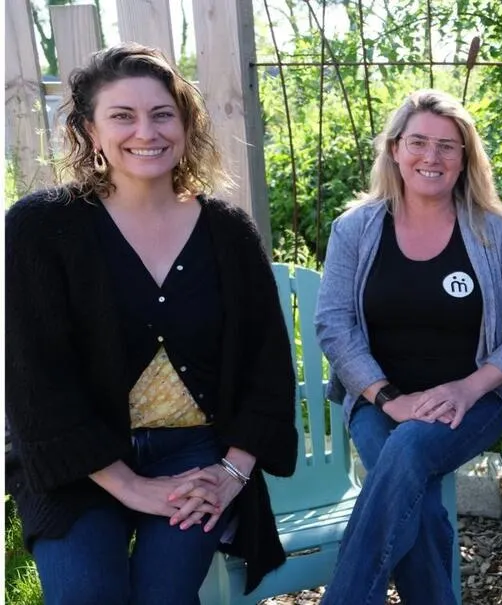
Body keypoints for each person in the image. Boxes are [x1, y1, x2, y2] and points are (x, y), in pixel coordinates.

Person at [5, 43, 298, 604]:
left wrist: (229, 475)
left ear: (185, 125)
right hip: (81, 466)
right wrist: (130, 486)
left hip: (195, 457)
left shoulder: (228, 232)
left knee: (164, 596)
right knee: (88, 594)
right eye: (123, 116)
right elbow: (35, 382)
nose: (148, 131)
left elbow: (267, 370)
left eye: (163, 114)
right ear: (90, 130)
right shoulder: (42, 228)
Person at [314, 88, 502, 604]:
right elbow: (333, 324)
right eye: (418, 142)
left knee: (410, 447)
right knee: (414, 494)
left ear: (465, 159)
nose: (432, 157)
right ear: (395, 149)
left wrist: (468, 389)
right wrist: (387, 398)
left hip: (475, 402)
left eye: (448, 146)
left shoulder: (496, 234)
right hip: (378, 400)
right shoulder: (354, 230)